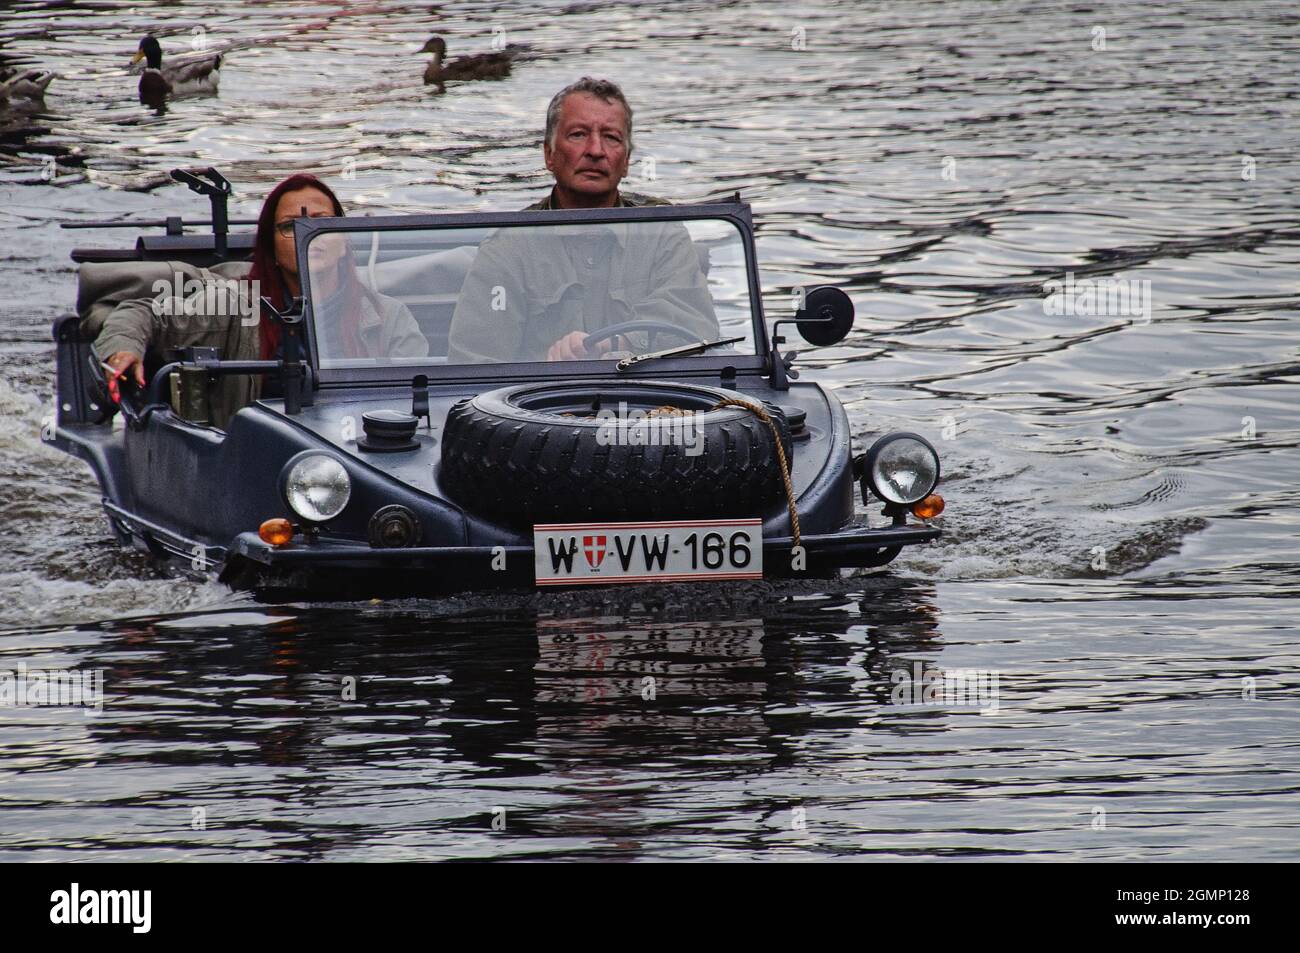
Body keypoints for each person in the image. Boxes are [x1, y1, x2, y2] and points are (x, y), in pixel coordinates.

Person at [79, 173, 427, 428]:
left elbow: (422, 403)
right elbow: (145, 312)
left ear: (344, 241)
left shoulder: (387, 316)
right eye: (291, 226)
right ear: (271, 248)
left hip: (357, 454)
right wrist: (124, 349)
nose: (310, 236)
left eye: (323, 224)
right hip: (255, 457)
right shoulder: (234, 305)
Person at [446, 78, 718, 364]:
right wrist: (547, 364)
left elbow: (695, 325)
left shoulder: (662, 231)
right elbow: (474, 363)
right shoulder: (508, 247)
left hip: (647, 401)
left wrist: (623, 341)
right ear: (549, 154)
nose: (596, 150)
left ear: (626, 161)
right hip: (537, 404)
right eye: (578, 135)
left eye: (611, 137)